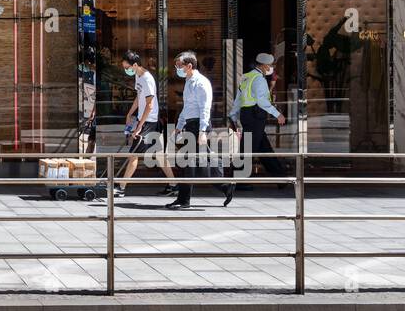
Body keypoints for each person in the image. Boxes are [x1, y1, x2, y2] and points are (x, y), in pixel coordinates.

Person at [167, 51, 232, 209]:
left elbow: (205, 109)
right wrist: (179, 126)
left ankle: (185, 199)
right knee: (193, 162)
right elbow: (187, 107)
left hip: (199, 126)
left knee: (189, 162)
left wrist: (202, 132)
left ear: (189, 66)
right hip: (191, 125)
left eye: (179, 66)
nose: (177, 68)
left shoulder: (201, 83)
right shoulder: (189, 81)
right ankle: (224, 186)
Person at [117, 50, 176, 198]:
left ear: (135, 65)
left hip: (149, 121)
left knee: (133, 155)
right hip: (148, 120)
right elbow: (139, 98)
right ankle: (174, 185)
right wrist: (130, 113)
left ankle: (121, 188)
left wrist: (139, 127)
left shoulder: (147, 79)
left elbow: (149, 105)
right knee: (159, 155)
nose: (126, 70)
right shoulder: (138, 76)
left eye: (127, 67)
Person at [229, 52, 288, 179]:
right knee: (248, 148)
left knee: (263, 147)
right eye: (270, 66)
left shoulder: (247, 77)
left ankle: (280, 176)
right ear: (264, 66)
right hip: (255, 116)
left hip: (247, 115)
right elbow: (262, 101)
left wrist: (233, 115)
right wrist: (278, 114)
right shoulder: (259, 79)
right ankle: (238, 179)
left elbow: (239, 98)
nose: (271, 68)